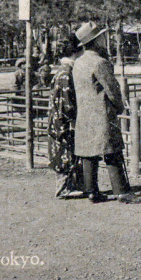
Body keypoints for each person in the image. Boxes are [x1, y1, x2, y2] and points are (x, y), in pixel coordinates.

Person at [70, 21, 141, 204]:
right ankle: (122, 191)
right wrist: (120, 107)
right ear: (96, 40)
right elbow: (112, 89)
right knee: (112, 151)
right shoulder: (100, 63)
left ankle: (91, 191)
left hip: (84, 115)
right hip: (102, 114)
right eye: (102, 36)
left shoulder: (78, 63)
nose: (105, 39)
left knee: (88, 153)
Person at [48, 38, 83, 198]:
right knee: (66, 154)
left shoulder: (62, 71)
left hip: (58, 120)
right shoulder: (67, 74)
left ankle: (69, 186)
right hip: (64, 121)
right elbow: (67, 103)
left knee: (65, 154)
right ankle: (64, 188)